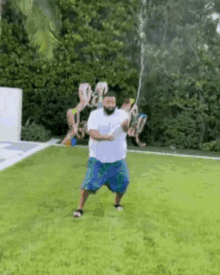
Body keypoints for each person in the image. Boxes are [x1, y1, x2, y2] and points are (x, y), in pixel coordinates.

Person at [73, 91, 130, 218]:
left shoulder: (123, 114)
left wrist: (126, 126)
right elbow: (92, 133)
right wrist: (105, 137)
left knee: (124, 182)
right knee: (88, 185)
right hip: (98, 158)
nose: (110, 105)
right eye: (108, 102)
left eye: (113, 102)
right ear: (103, 102)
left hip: (118, 158)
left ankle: (117, 204)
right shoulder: (95, 115)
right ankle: (79, 208)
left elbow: (127, 129)